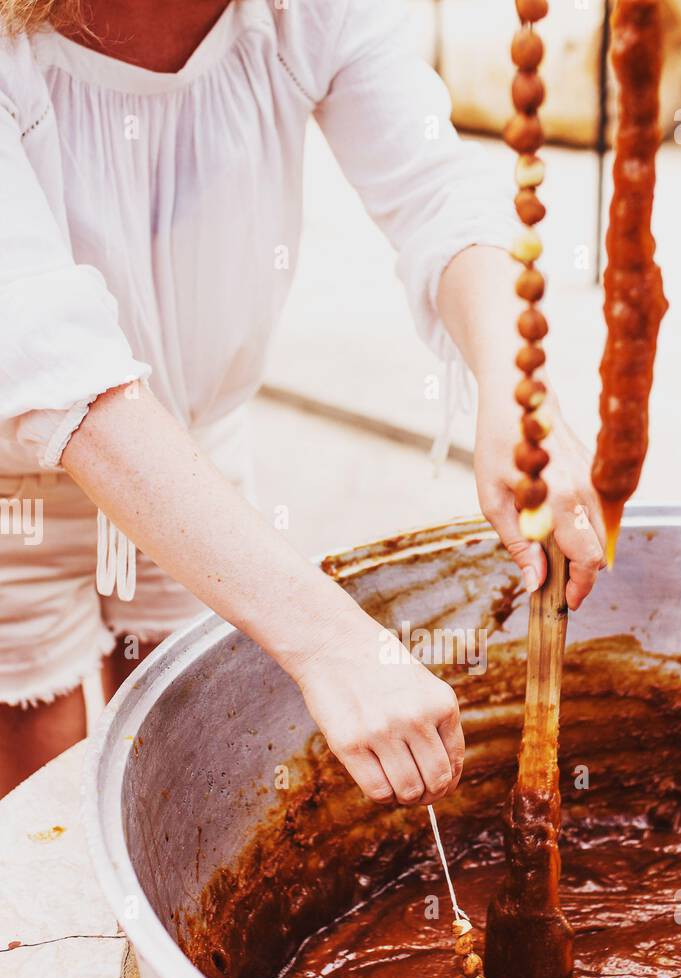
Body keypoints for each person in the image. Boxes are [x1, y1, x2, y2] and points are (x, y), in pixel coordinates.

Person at [0, 0, 604, 801]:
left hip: (194, 459)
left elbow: (435, 190)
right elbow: (50, 353)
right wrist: (329, 643)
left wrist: (514, 385)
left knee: (183, 746)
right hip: (13, 493)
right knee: (42, 773)